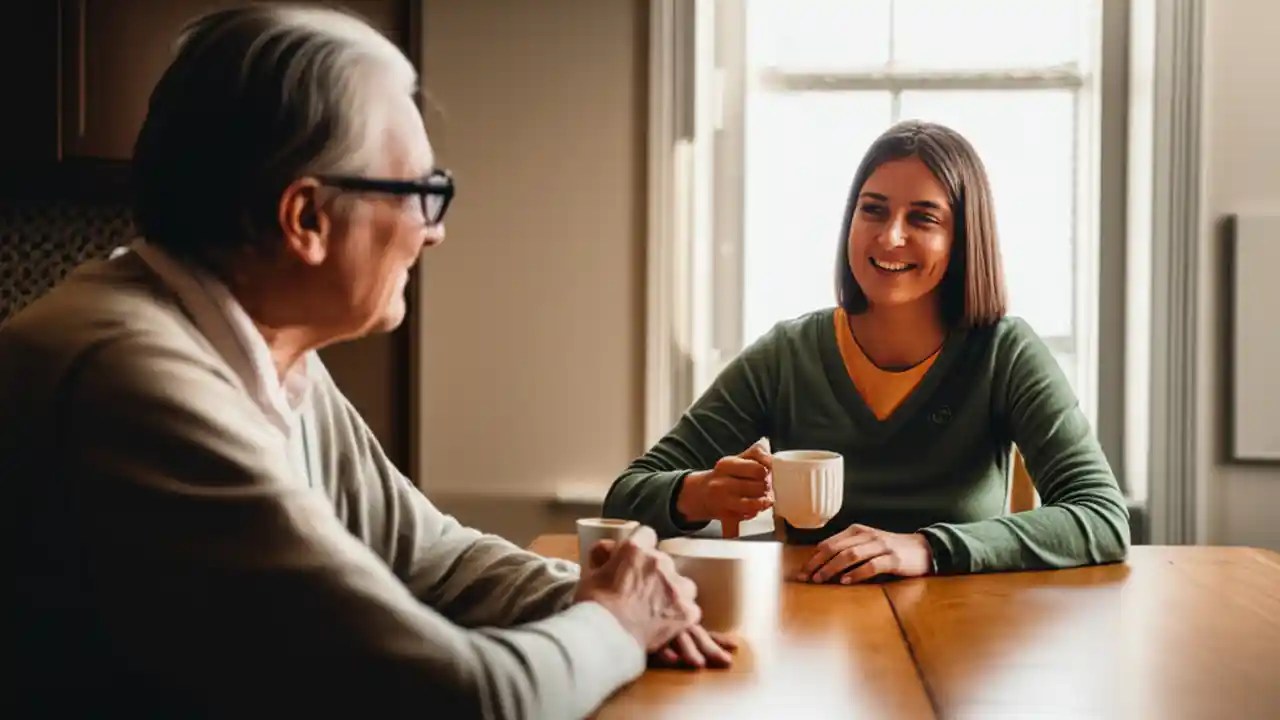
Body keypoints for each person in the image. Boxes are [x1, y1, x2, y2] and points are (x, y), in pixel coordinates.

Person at [3, 6, 731, 717]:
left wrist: (607, 592)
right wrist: (614, 622)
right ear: (307, 219)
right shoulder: (132, 381)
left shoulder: (261, 343)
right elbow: (465, 698)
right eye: (421, 193)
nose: (433, 232)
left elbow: (431, 556)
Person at [603, 120, 1130, 584]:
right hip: (815, 641)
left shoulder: (1005, 353)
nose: (890, 236)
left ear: (963, 239)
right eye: (872, 210)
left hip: (967, 641)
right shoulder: (787, 354)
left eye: (923, 218)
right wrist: (698, 493)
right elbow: (625, 498)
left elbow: (1103, 518)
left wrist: (926, 547)